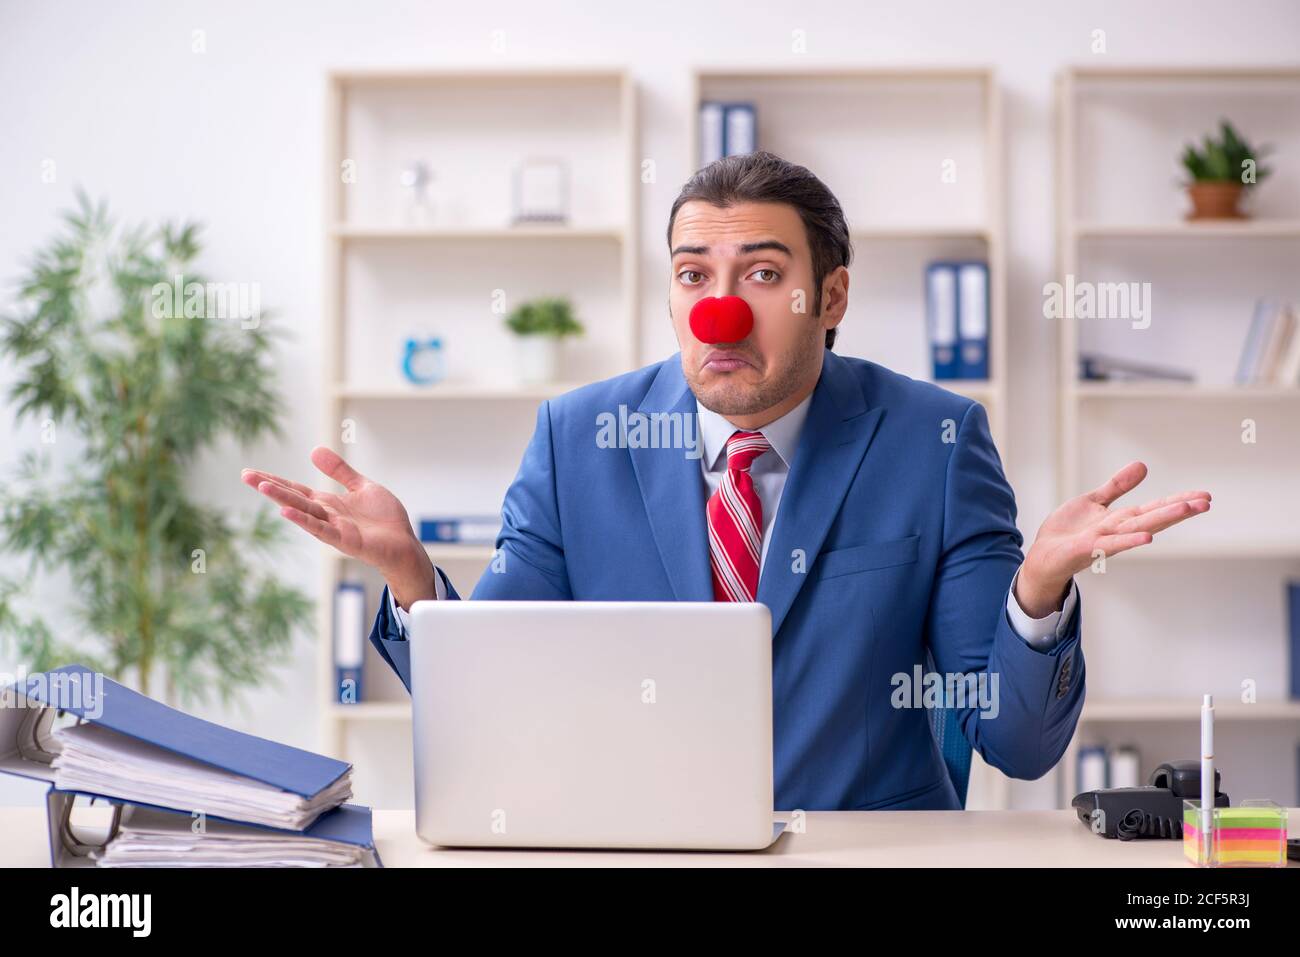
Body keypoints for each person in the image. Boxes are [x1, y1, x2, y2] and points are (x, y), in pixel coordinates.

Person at [243, 151, 1210, 810]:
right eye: (693, 275)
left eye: (758, 274)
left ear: (829, 296)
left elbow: (1018, 744)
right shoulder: (578, 437)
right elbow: (492, 698)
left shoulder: (937, 440)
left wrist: (1036, 590)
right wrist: (412, 573)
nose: (719, 312)